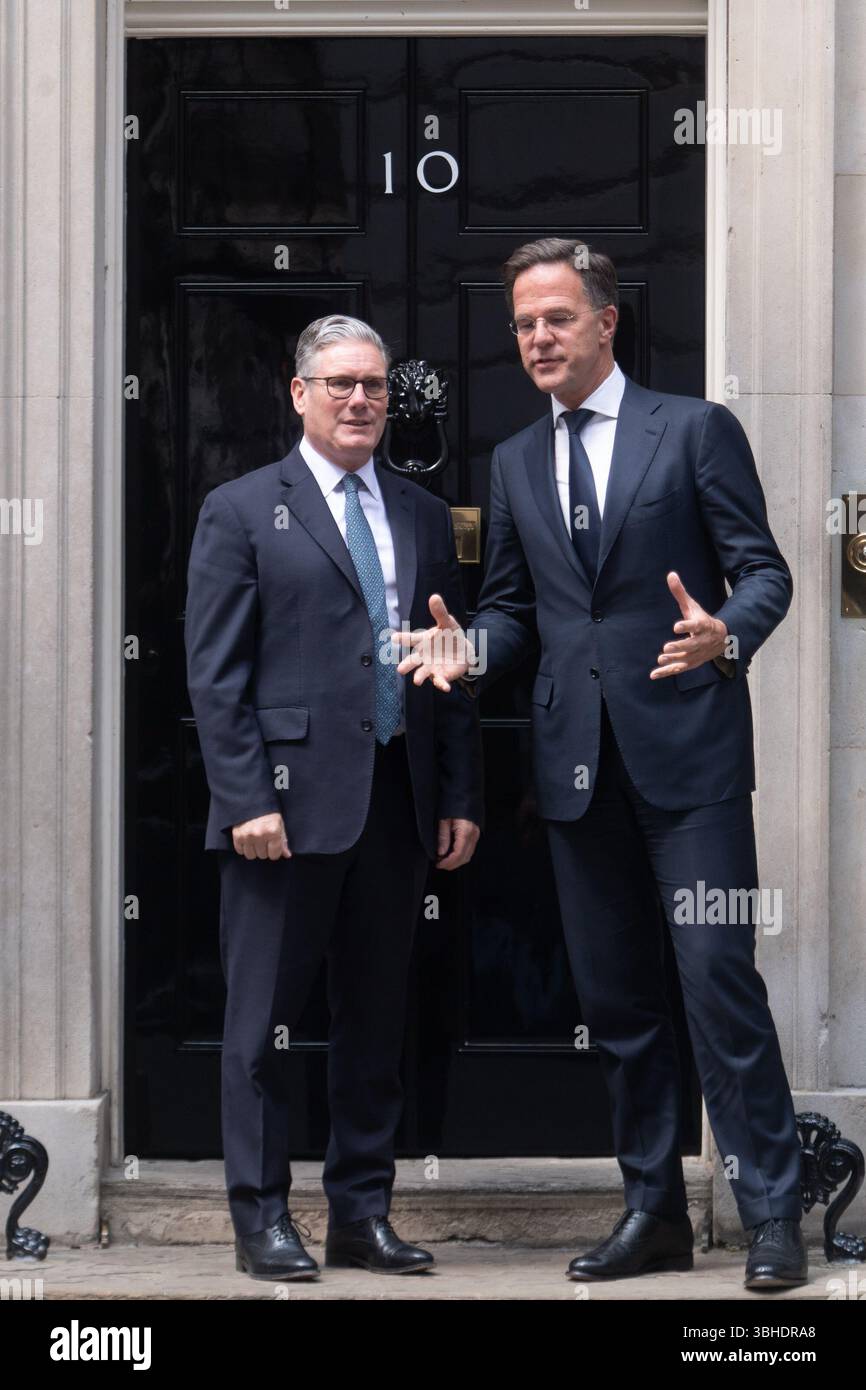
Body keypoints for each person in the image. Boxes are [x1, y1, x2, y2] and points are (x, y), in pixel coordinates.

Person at [396, 238, 807, 1289]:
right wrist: (471, 651)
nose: (536, 337)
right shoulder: (516, 461)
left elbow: (764, 570)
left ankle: (770, 1216)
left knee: (717, 985)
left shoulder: (694, 432)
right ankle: (651, 1214)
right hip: (575, 774)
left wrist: (727, 630)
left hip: (691, 771)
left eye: (555, 318)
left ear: (604, 321)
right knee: (619, 1004)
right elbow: (518, 611)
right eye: (522, 323)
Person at [185, 313, 482, 1281]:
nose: (361, 400)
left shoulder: (421, 514)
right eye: (342, 384)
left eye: (376, 386)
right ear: (299, 392)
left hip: (394, 807)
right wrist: (244, 798)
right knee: (259, 1028)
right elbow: (214, 676)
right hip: (280, 812)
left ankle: (360, 1213)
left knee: (374, 1021)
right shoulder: (240, 510)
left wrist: (456, 793)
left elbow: (450, 663)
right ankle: (261, 1220)